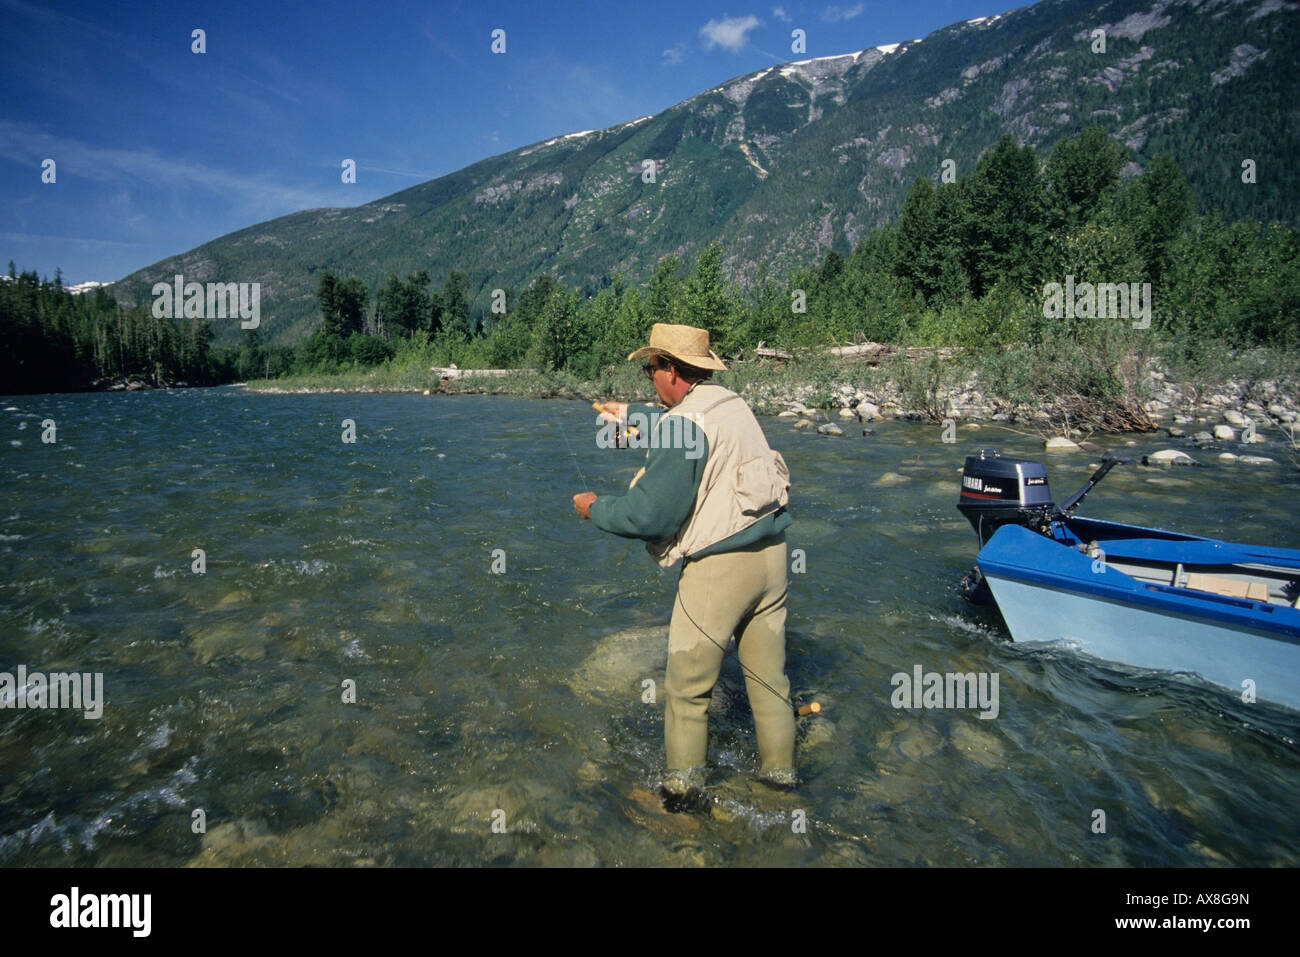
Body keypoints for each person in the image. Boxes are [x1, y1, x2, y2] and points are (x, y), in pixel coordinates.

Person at [572, 323, 795, 809]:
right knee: (769, 684)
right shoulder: (730, 402)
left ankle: (683, 798)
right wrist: (629, 415)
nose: (649, 377)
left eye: (651, 369)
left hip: (721, 570)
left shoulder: (682, 426)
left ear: (671, 369)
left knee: (688, 693)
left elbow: (651, 516)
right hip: (773, 560)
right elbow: (691, 427)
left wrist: (595, 509)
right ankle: (781, 784)